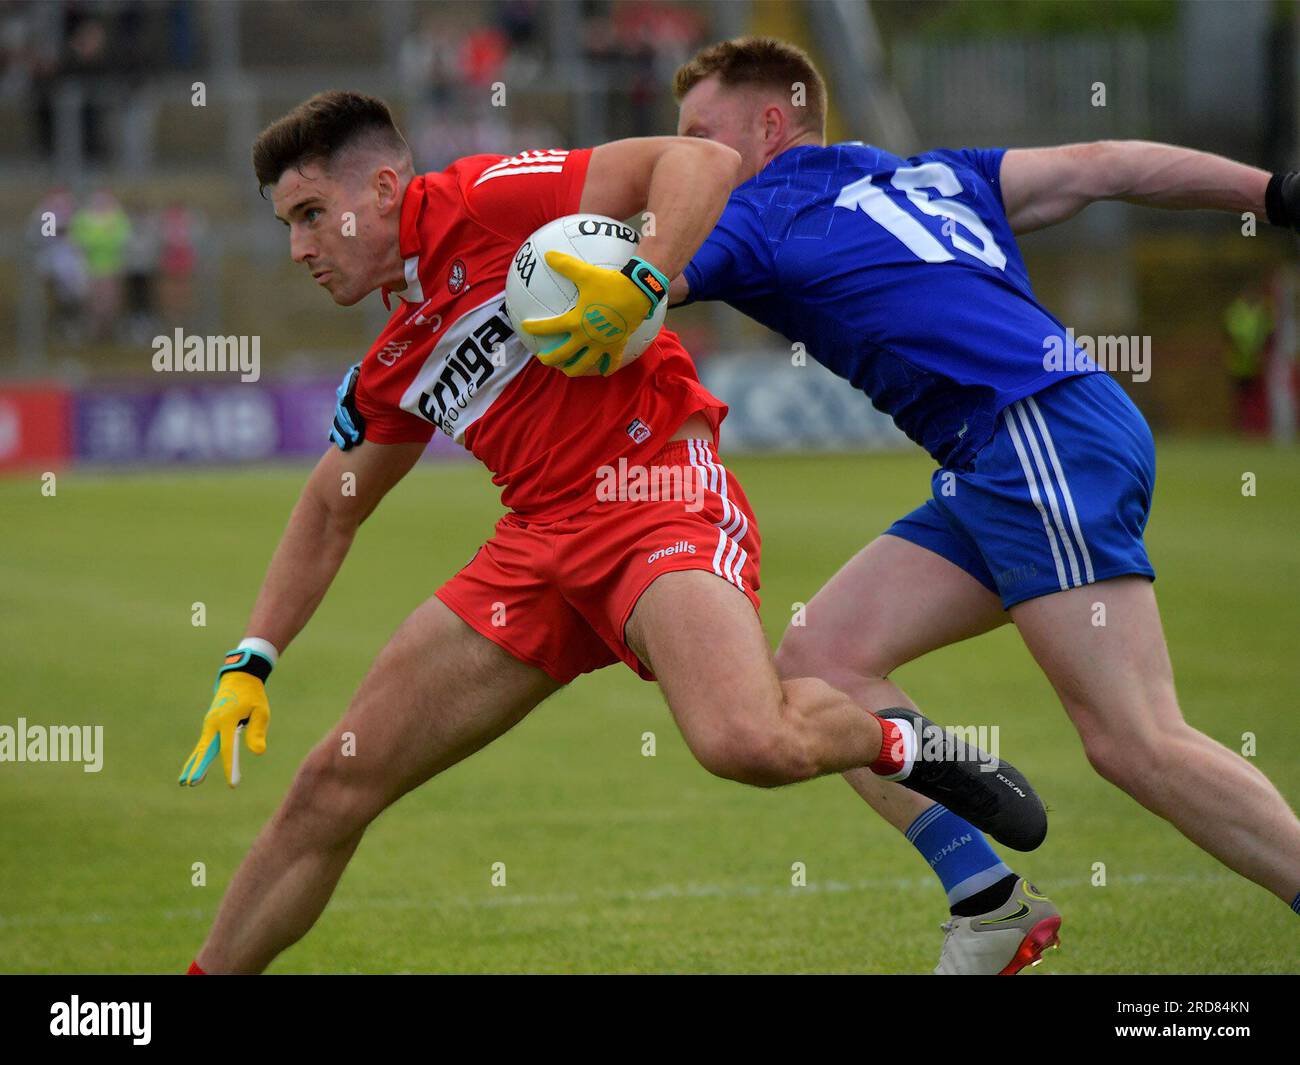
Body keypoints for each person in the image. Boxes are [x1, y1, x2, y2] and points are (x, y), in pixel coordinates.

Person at [177, 91, 1045, 975]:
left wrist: (646, 276)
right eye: (290, 224)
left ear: (388, 186)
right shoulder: (394, 358)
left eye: (314, 215)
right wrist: (252, 657)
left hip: (657, 498)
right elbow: (333, 507)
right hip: (535, 545)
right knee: (330, 787)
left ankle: (900, 742)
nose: (299, 248)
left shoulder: (486, 199)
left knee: (746, 742)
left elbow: (701, 163)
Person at [668, 35, 1300, 974]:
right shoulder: (934, 175)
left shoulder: (756, 211)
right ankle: (989, 898)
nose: (687, 158)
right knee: (825, 662)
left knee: (1135, 740)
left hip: (1031, 430)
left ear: (771, 126)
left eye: (699, 134)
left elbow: (634, 293)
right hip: (1016, 446)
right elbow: (1105, 164)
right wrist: (1272, 194)